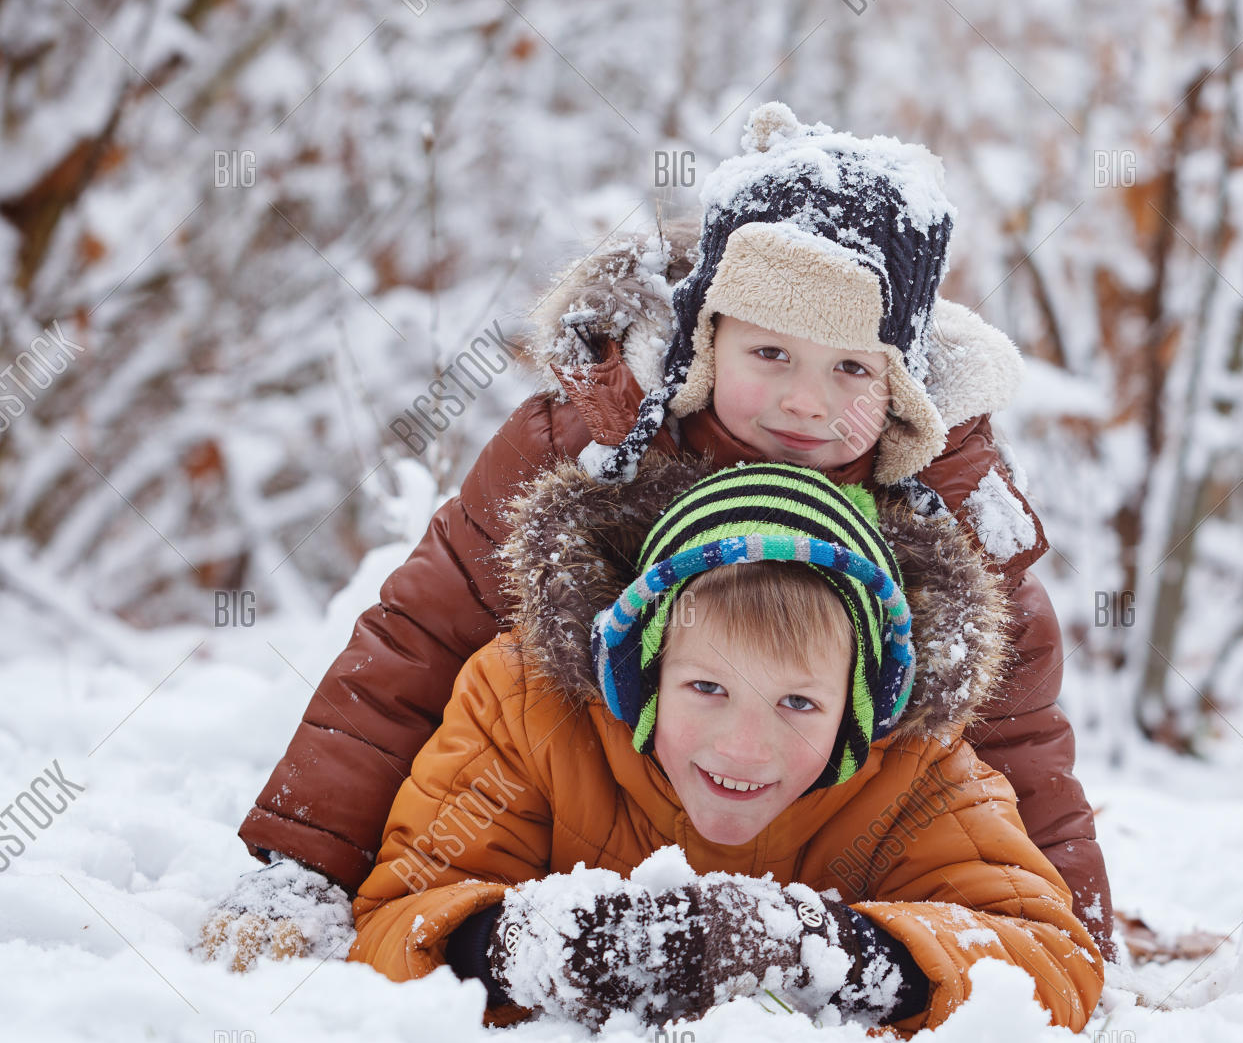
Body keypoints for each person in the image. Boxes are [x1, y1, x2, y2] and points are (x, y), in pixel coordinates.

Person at [200, 101, 1116, 974]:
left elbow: (1018, 738)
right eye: (771, 356)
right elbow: (419, 641)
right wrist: (304, 867)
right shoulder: (587, 449)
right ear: (707, 345)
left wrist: (1073, 932)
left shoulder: (944, 514)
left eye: (851, 369)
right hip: (587, 831)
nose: (808, 402)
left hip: (823, 867)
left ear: (904, 384)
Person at [346, 456, 1105, 1036]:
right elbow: (394, 927)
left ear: (858, 708)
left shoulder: (917, 769)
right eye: (708, 689)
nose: (745, 749)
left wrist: (824, 951)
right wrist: (539, 946)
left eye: (799, 703)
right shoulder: (528, 708)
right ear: (646, 670)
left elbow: (1051, 962)